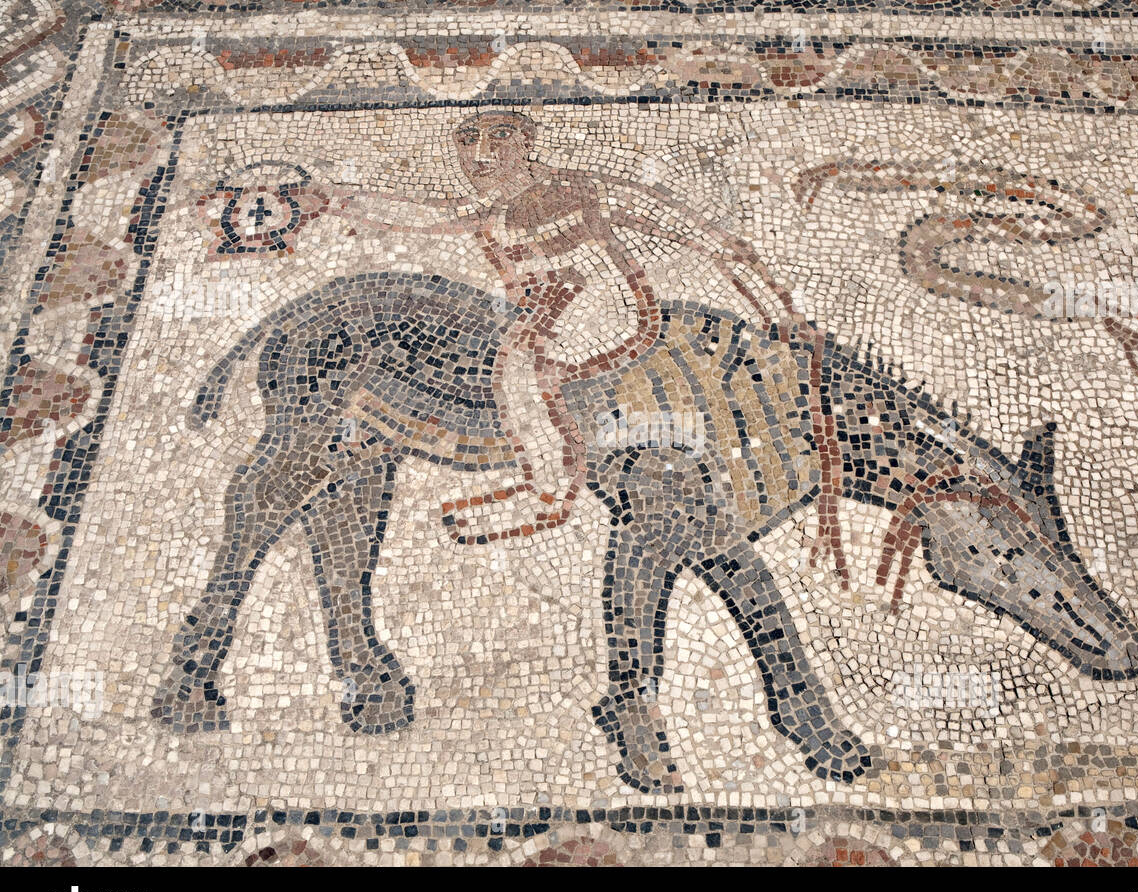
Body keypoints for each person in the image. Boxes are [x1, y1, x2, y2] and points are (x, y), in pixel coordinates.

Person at [330, 111, 848, 580]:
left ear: (528, 139)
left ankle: (548, 494)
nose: (481, 153)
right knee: (513, 344)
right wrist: (330, 200)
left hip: (609, 307)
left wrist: (779, 311)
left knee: (520, 361)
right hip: (549, 308)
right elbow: (413, 214)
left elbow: (698, 235)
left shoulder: (579, 188)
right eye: (467, 139)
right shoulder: (479, 208)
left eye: (499, 135)